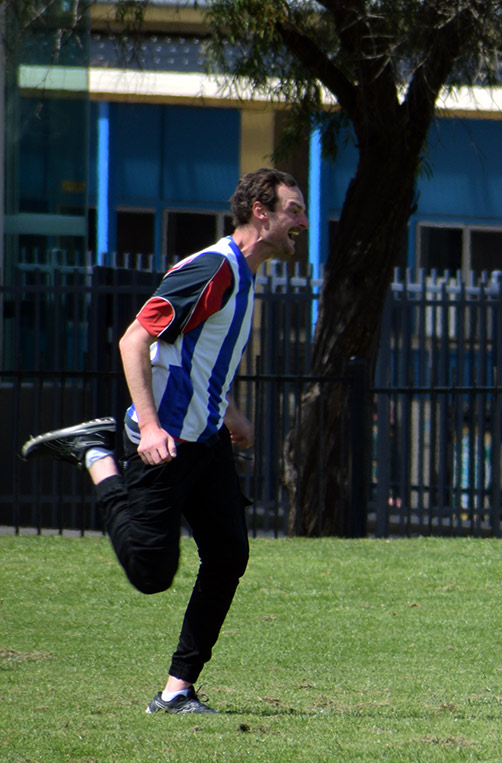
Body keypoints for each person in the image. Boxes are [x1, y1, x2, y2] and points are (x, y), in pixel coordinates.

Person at [20, 168, 309, 714]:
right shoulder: (213, 269)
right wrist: (149, 427)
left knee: (228, 555)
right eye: (293, 209)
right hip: (167, 441)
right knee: (152, 572)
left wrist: (231, 413)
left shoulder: (245, 276)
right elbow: (136, 339)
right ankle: (97, 453)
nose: (303, 221)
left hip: (206, 441)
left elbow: (192, 356)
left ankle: (178, 690)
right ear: (261, 212)